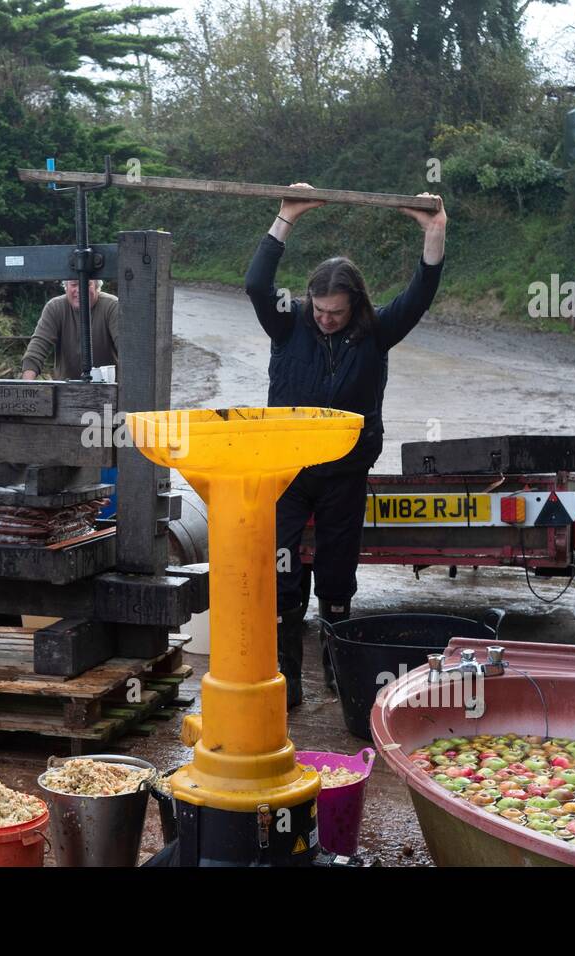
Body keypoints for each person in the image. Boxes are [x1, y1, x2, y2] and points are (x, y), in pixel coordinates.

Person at [245, 183, 447, 709]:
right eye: (320, 310)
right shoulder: (289, 324)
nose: (326, 319)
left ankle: (339, 673)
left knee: (337, 575)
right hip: (287, 469)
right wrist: (286, 216)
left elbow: (421, 293)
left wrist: (434, 232)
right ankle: (287, 678)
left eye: (335, 312)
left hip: (344, 472)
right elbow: (254, 283)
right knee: (283, 573)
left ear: (353, 303)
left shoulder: (376, 332)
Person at [21, 278, 118, 380]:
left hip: (110, 387)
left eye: (87, 284)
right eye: (74, 285)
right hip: (66, 388)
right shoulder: (55, 308)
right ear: (66, 288)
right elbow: (37, 349)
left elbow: (127, 349)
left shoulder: (112, 306)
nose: (80, 290)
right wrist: (27, 388)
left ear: (97, 287)